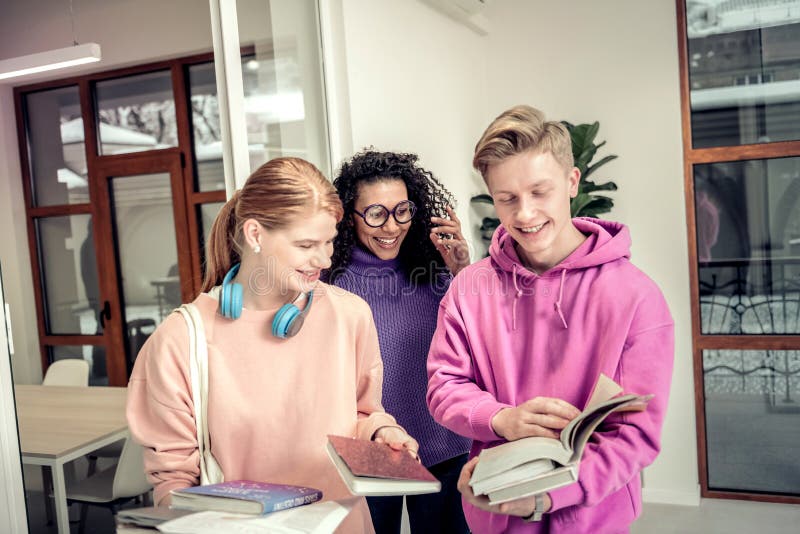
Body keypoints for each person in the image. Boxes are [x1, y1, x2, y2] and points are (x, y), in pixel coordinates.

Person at [126, 157, 419, 534]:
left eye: (329, 241)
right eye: (306, 244)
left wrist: (382, 433)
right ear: (255, 234)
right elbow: (173, 483)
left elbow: (362, 414)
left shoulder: (350, 315)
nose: (324, 259)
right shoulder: (180, 339)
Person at [426, 106, 674, 533]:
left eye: (540, 192)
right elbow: (444, 386)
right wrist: (500, 418)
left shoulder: (638, 297)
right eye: (507, 199)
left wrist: (545, 496)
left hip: (594, 519)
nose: (524, 214)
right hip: (495, 514)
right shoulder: (469, 288)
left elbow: (634, 435)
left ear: (571, 182)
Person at [326, 150, 472, 533]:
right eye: (375, 213)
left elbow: (484, 344)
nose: (391, 226)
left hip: (445, 443)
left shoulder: (437, 270)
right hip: (370, 450)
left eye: (402, 211)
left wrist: (463, 271)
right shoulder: (328, 282)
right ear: (348, 216)